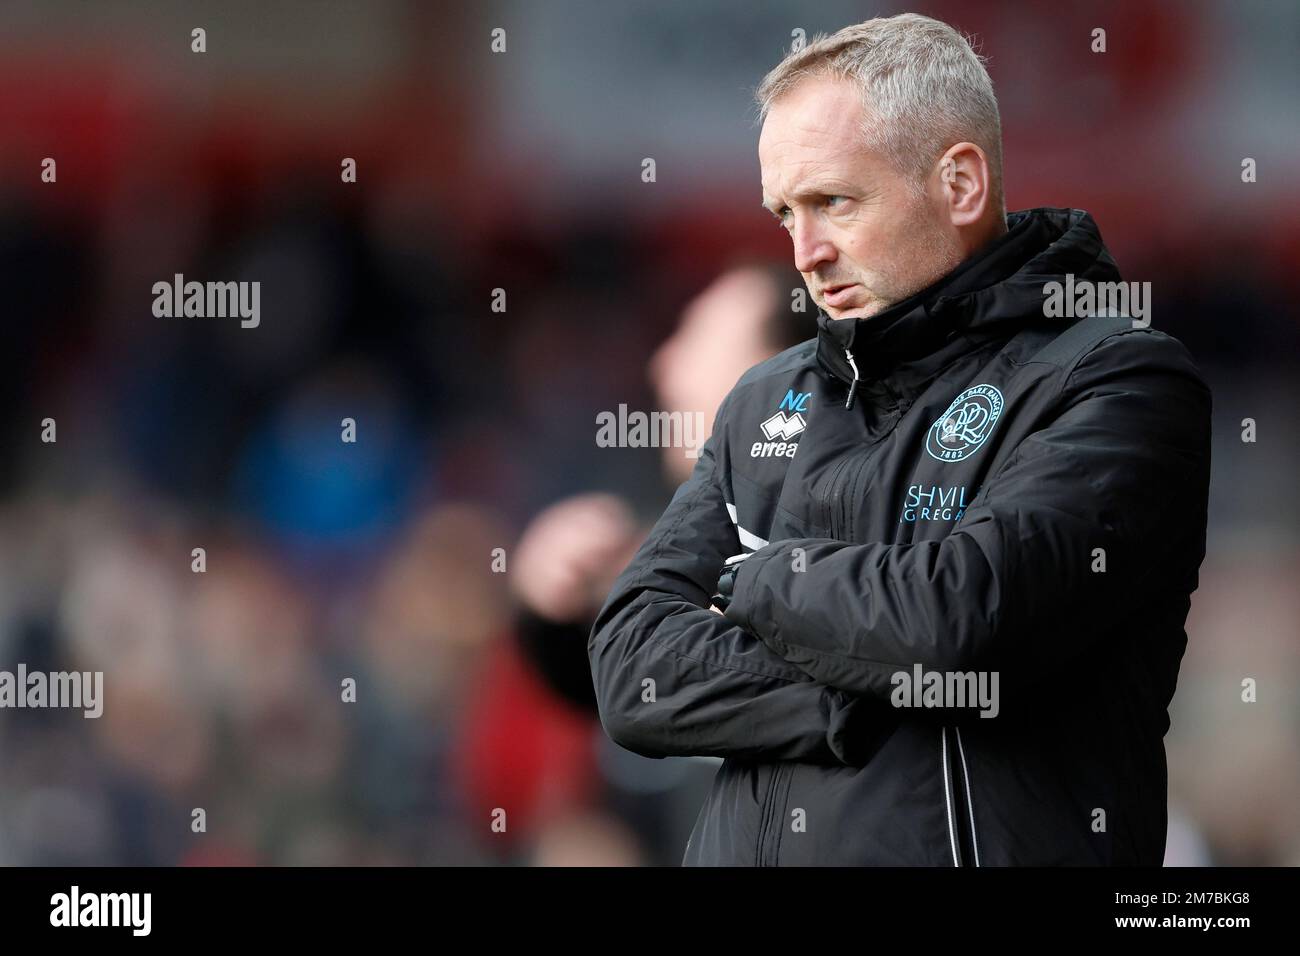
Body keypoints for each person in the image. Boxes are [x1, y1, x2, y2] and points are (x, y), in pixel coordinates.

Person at [588, 14, 1212, 866]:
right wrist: (862, 697)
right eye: (784, 213)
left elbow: (961, 614)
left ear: (958, 184)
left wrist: (755, 577)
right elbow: (633, 673)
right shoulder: (764, 399)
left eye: (832, 201)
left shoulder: (1119, 381)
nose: (804, 252)